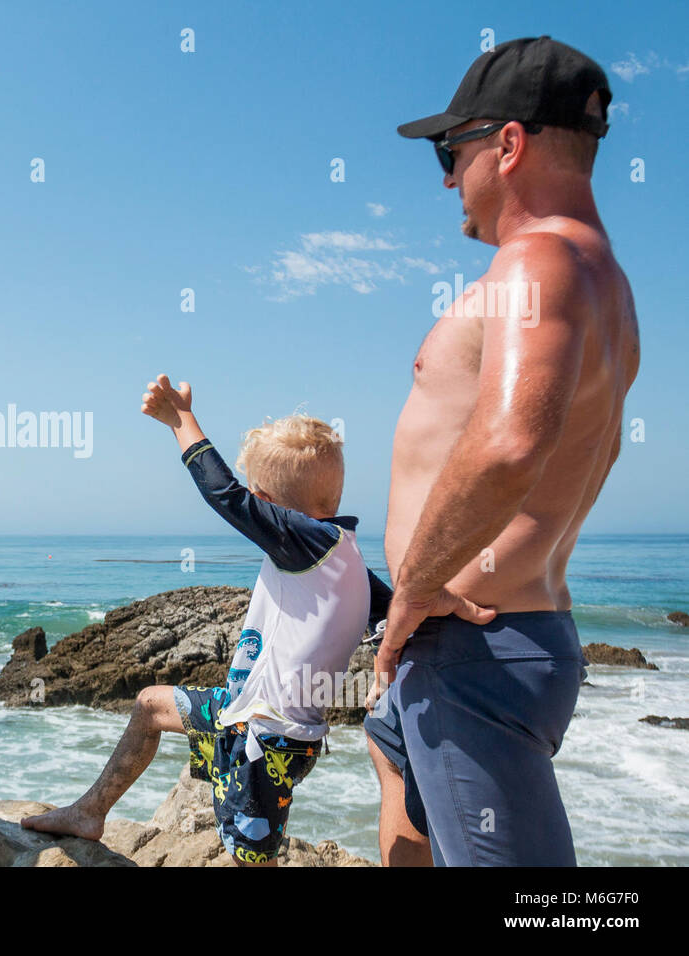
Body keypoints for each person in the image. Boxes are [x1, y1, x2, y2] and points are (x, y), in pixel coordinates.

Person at [364, 36, 640, 866]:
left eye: (452, 152)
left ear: (508, 145)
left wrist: (411, 591)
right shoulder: (603, 280)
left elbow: (511, 443)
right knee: (394, 770)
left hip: (473, 646)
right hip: (490, 637)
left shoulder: (539, 260)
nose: (448, 178)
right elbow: (601, 449)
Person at [23, 375, 388, 866]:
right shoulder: (343, 554)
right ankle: (90, 812)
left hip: (268, 740)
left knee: (250, 858)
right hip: (242, 711)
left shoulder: (303, 542)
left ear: (274, 509)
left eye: (259, 502)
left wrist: (180, 420)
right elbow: (392, 610)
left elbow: (225, 495)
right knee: (150, 705)